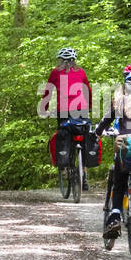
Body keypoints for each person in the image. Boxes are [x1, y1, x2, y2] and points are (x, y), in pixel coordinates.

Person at [94, 64, 131, 236]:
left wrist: (97, 132)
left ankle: (115, 215)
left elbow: (106, 120)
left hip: (126, 145)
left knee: (120, 182)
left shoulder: (121, 100)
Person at [44, 46, 93, 190]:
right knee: (83, 137)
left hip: (63, 111)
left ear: (60, 60)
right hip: (81, 109)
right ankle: (84, 174)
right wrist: (89, 105)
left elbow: (48, 92)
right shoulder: (81, 72)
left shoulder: (55, 72)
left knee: (63, 134)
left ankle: (64, 168)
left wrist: (45, 109)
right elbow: (88, 90)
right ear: (74, 61)